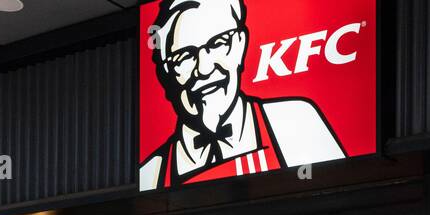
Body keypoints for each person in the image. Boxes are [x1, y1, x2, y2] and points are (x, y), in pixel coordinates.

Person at [139, 0, 345, 191]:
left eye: (218, 43)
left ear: (240, 44)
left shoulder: (295, 122)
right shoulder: (151, 173)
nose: (204, 68)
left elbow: (340, 196)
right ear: (166, 73)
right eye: (184, 57)